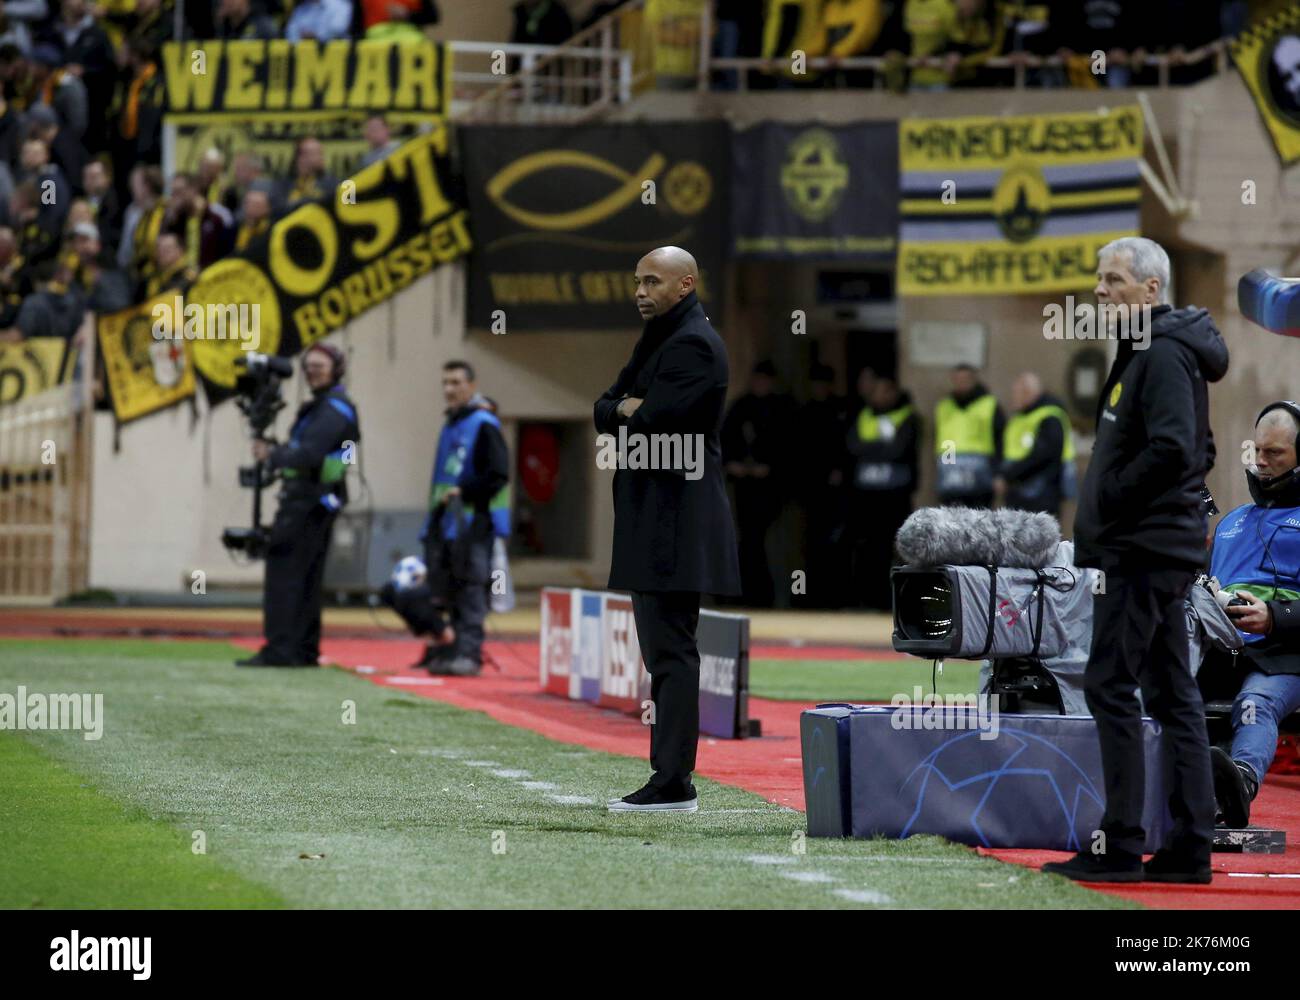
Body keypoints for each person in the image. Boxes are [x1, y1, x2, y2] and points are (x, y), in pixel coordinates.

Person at [1043, 236, 1228, 885]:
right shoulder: (1151, 349)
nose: (1100, 291)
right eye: (1099, 279)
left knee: (1108, 683)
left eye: (1113, 279)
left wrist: (1112, 498)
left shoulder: (1166, 352)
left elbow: (1177, 447)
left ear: (1152, 290)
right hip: (1152, 545)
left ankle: (1120, 844)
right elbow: (1194, 446)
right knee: (1173, 693)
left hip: (1145, 551)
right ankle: (1190, 846)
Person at [594, 245, 740, 812]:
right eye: (637, 281)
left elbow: (649, 422)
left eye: (652, 281)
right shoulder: (659, 337)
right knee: (662, 653)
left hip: (674, 523)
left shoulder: (695, 345)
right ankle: (671, 777)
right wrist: (623, 409)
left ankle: (674, 780)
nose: (640, 291)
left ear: (685, 285)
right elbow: (606, 408)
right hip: (652, 518)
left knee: (672, 654)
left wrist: (628, 410)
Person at [1205, 402, 1300, 828]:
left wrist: (1276, 617)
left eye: (1274, 453)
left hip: (1287, 656)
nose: (1261, 462)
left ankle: (1237, 788)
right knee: (1156, 688)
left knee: (1254, 705)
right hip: (1222, 651)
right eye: (1257, 451)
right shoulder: (1230, 524)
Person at [239, 342, 360, 668]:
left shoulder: (332, 409)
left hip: (308, 502)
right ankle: (303, 649)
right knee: (305, 579)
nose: (311, 372)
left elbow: (311, 454)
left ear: (336, 369)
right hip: (316, 500)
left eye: (319, 367)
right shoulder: (329, 407)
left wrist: (272, 455)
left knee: (286, 573)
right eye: (308, 367)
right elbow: (334, 452)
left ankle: (282, 649)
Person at [413, 360, 510, 676]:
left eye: (455, 382)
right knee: (447, 590)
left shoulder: (484, 424)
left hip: (472, 524)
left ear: (471, 385)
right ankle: (448, 651)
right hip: (446, 525)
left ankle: (469, 654)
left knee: (470, 591)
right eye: (445, 383)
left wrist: (463, 492)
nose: (449, 389)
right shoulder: (452, 423)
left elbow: (498, 475)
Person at [721, 360, 793, 607]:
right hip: (744, 485)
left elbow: (789, 446)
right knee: (747, 538)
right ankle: (745, 593)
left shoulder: (781, 408)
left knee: (766, 541)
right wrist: (733, 464)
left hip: (770, 488)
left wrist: (771, 468)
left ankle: (767, 595)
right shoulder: (741, 407)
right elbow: (726, 439)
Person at [845, 372, 918, 609]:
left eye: (884, 391)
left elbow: (898, 450)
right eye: (875, 391)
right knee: (867, 548)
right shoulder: (864, 415)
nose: (879, 396)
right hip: (867, 496)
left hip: (894, 495)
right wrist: (880, 447)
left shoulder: (906, 416)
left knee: (897, 547)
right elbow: (853, 447)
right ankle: (866, 599)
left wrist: (871, 448)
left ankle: (892, 602)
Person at [793, 364, 849, 608]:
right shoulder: (805, 411)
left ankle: (833, 597)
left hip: (834, 491)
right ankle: (811, 597)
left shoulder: (840, 411)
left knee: (834, 544)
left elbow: (845, 448)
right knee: (810, 545)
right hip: (810, 489)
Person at [994, 371, 1074, 518]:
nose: (1013, 398)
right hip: (1019, 491)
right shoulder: (1020, 417)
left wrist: (1009, 475)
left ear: (1028, 392)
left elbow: (1043, 454)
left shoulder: (1049, 416)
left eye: (1016, 393)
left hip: (1040, 493)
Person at [933, 362, 1004, 508]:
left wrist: (998, 472)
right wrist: (946, 468)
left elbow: (1000, 440)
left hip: (980, 474)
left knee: (979, 522)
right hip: (951, 476)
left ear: (974, 380)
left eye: (965, 380)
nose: (961, 384)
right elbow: (944, 440)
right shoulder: (944, 406)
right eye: (957, 379)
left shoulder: (989, 404)